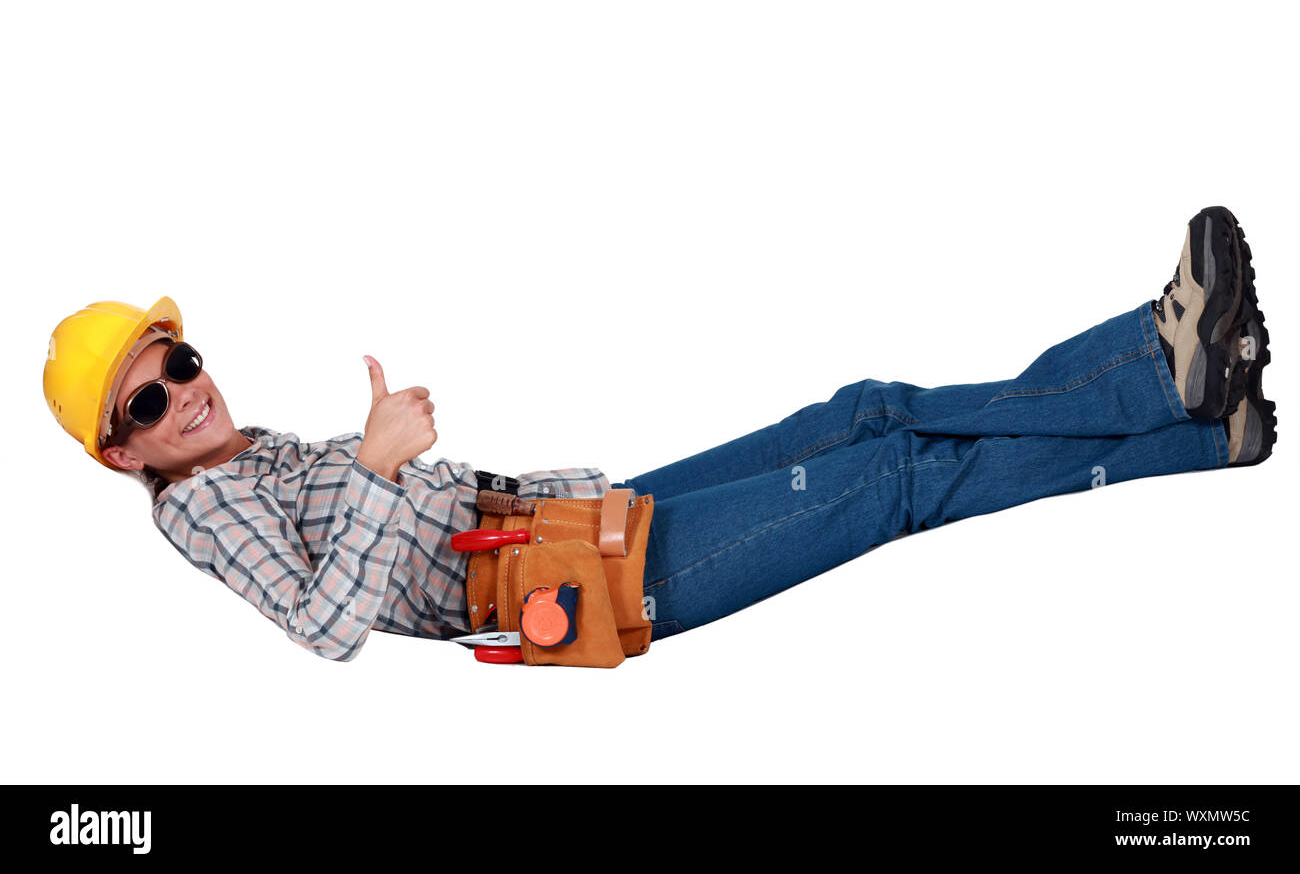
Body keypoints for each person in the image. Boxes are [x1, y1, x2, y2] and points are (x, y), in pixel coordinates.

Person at [43, 206, 1275, 661]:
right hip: (594, 580)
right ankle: (1158, 368)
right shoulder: (200, 507)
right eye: (146, 403)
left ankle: (1199, 418)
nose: (181, 395)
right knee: (894, 473)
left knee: (861, 412)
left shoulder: (239, 451)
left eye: (179, 362)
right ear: (123, 454)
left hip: (583, 515)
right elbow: (325, 629)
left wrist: (381, 470)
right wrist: (373, 467)